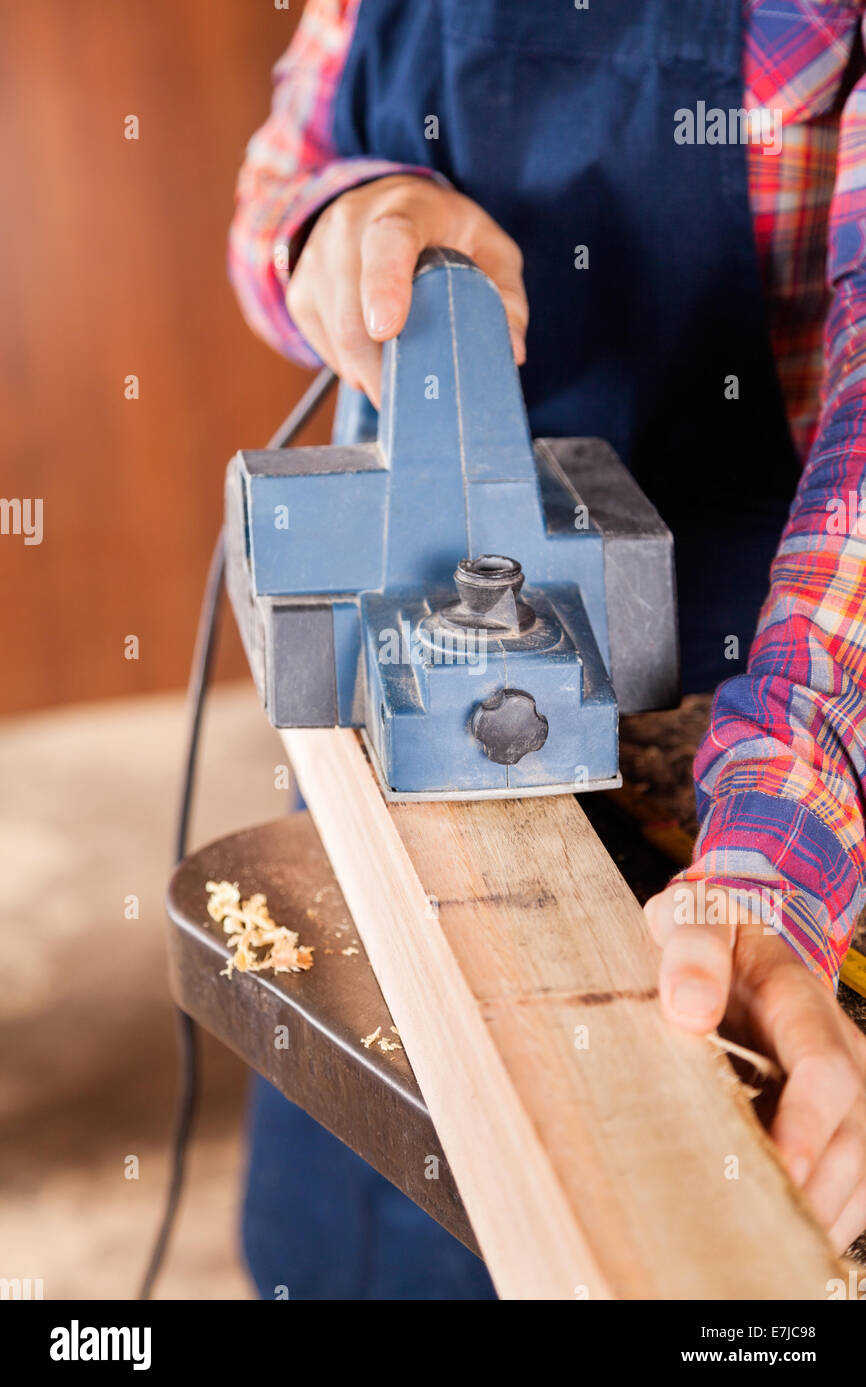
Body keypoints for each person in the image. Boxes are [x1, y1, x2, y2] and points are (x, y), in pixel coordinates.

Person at [229, 0, 866, 1298]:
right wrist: (338, 226)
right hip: (404, 690)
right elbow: (267, 203)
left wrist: (772, 860)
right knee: (373, 1182)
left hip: (751, 736)